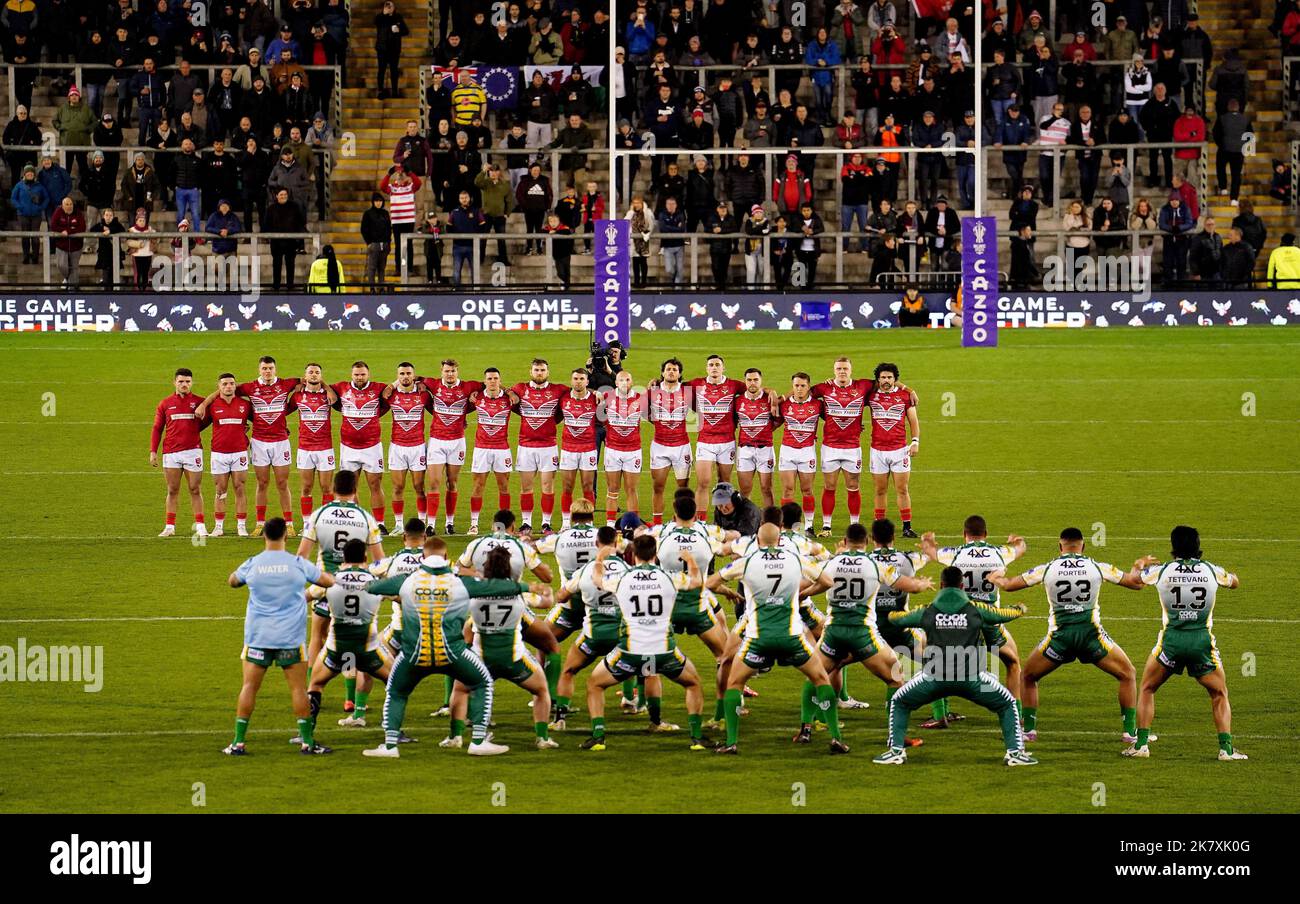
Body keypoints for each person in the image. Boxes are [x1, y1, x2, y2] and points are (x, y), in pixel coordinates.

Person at [362, 536, 540, 758]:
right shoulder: (459, 582)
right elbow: (493, 586)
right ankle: (477, 741)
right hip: (453, 653)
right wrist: (526, 585)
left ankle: (390, 746)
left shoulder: (407, 580)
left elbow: (373, 586)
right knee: (482, 681)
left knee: (396, 692)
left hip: (414, 655)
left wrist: (390, 592)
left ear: (423, 557)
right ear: (447, 557)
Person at [990, 527, 1151, 743]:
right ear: (1082, 546)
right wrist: (1138, 566)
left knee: (1028, 676)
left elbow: (1009, 586)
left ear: (1060, 547)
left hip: (1060, 638)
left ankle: (1029, 731)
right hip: (1091, 637)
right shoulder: (1096, 566)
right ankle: (1129, 733)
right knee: (1127, 674)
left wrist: (996, 578)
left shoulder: (1047, 568)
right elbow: (1135, 583)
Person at [872, 566, 1035, 766]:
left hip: (933, 679)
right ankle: (1015, 753)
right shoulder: (977, 609)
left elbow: (898, 620)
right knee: (1007, 703)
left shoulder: (927, 611)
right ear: (962, 586)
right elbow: (1002, 614)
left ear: (941, 585)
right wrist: (1019, 609)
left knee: (899, 701)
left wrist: (887, 613)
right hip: (972, 679)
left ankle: (896, 751)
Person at [708, 523, 846, 754]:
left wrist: (729, 592)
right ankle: (836, 737)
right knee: (821, 679)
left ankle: (731, 742)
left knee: (734, 683)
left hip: (758, 638)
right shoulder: (795, 559)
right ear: (780, 539)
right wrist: (806, 593)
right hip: (792, 636)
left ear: (759, 541)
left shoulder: (748, 561)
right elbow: (828, 582)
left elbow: (711, 582)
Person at [796, 522, 935, 741]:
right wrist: (922, 584)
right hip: (863, 633)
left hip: (834, 631)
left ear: (844, 541)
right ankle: (896, 735)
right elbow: (907, 585)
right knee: (895, 678)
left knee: (816, 675)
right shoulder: (874, 564)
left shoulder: (832, 562)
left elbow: (806, 583)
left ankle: (805, 729)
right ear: (867, 542)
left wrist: (804, 594)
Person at [1123, 526, 1247, 761]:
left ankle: (1141, 746)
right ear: (1198, 545)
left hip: (1171, 642)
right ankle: (1226, 749)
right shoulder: (1211, 570)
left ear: (1174, 547)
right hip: (1201, 643)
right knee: (1219, 693)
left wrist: (1140, 564)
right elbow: (1235, 582)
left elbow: (1134, 580)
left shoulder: (1162, 571)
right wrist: (1225, 575)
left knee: (1148, 688)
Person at [584, 534, 712, 751]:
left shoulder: (623, 578)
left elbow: (597, 580)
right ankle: (696, 738)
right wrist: (690, 560)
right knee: (692, 683)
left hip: (629, 651)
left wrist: (600, 558)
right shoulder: (669, 577)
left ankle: (598, 738)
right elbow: (697, 581)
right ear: (656, 555)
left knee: (594, 685)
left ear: (633, 556)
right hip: (664, 651)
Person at [223, 517, 335, 756]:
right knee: (297, 690)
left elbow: (232, 581)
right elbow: (326, 581)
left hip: (258, 637)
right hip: (290, 638)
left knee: (249, 687)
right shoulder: (297, 564)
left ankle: (238, 743)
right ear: (286, 535)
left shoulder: (253, 563)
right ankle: (307, 742)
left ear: (264, 535)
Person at [445, 545, 558, 749]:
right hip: (513, 658)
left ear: (485, 566)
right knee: (541, 690)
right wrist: (548, 592)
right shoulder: (518, 591)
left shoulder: (473, 588)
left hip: (480, 659)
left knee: (460, 689)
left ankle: (455, 737)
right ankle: (542, 738)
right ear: (508, 568)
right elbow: (546, 602)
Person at [920, 515, 1028, 712]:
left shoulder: (954, 554)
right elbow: (1021, 548)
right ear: (985, 534)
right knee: (1012, 662)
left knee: (938, 659)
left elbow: (930, 551)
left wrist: (928, 540)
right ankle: (1017, 714)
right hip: (990, 620)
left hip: (962, 621)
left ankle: (941, 713)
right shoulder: (1000, 553)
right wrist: (1016, 540)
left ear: (964, 535)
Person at [150, 367, 207, 537]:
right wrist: (153, 451)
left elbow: (216, 419)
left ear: (192, 383)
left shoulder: (200, 402)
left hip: (193, 452)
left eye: (187, 381)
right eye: (181, 381)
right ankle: (169, 526)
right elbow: (157, 428)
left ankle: (200, 525)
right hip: (171, 453)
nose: (184, 384)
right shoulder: (165, 403)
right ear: (174, 382)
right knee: (172, 489)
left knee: (195, 489)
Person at [380, 363, 431, 533]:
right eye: (402, 374)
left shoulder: (423, 394)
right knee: (397, 487)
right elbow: (379, 399)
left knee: (419, 487)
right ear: (397, 376)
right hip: (397, 447)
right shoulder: (391, 395)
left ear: (414, 375)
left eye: (409, 373)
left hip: (417, 447)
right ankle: (399, 525)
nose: (405, 376)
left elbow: (438, 410)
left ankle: (422, 522)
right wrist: (392, 384)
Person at [265, 188, 306, 291]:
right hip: (276, 242)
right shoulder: (271, 208)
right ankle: (276, 286)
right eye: (281, 194)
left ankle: (290, 286)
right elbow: (266, 224)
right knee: (277, 264)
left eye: (285, 194)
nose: (283, 196)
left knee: (290, 264)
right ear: (277, 196)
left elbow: (300, 222)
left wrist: (300, 241)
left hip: (291, 241)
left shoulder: (294, 207)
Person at [10, 165, 47, 264]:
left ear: (34, 174)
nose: (30, 174)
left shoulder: (39, 186)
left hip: (36, 215)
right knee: (25, 236)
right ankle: (25, 256)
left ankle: (35, 257)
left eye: (31, 173)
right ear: (25, 174)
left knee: (35, 237)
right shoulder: (19, 185)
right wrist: (20, 207)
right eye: (28, 173)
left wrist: (41, 207)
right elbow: (13, 198)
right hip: (23, 215)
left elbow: (46, 198)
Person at [373, 0, 410, 99]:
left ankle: (394, 91)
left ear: (394, 7)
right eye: (387, 6)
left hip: (394, 48)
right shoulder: (380, 17)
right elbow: (376, 23)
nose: (389, 8)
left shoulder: (398, 17)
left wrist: (399, 30)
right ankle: (380, 91)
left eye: (391, 6)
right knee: (381, 70)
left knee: (394, 70)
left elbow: (406, 31)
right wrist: (383, 14)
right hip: (382, 48)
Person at [50, 196, 86, 287]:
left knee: (74, 268)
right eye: (67, 204)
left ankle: (72, 290)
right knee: (61, 265)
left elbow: (82, 227)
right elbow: (53, 226)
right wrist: (63, 230)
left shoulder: (78, 213)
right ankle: (67, 279)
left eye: (71, 204)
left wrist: (68, 231)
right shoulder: (58, 212)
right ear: (62, 206)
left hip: (76, 246)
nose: (69, 206)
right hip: (61, 245)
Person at [361, 192, 390, 289]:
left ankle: (381, 288)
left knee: (382, 268)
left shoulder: (385, 214)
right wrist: (369, 242)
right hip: (374, 244)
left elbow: (388, 229)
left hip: (384, 244)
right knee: (372, 268)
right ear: (373, 202)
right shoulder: (368, 214)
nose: (378, 203)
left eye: (380, 201)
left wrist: (388, 243)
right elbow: (364, 229)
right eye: (376, 201)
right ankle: (372, 288)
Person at [125, 208, 155, 290]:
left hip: (147, 254)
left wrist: (153, 238)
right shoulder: (132, 230)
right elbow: (128, 242)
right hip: (137, 254)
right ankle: (137, 290)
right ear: (136, 221)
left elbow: (157, 239)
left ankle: (144, 290)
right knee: (138, 273)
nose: (142, 222)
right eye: (140, 220)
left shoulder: (149, 229)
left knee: (146, 273)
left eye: (143, 220)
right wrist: (138, 244)